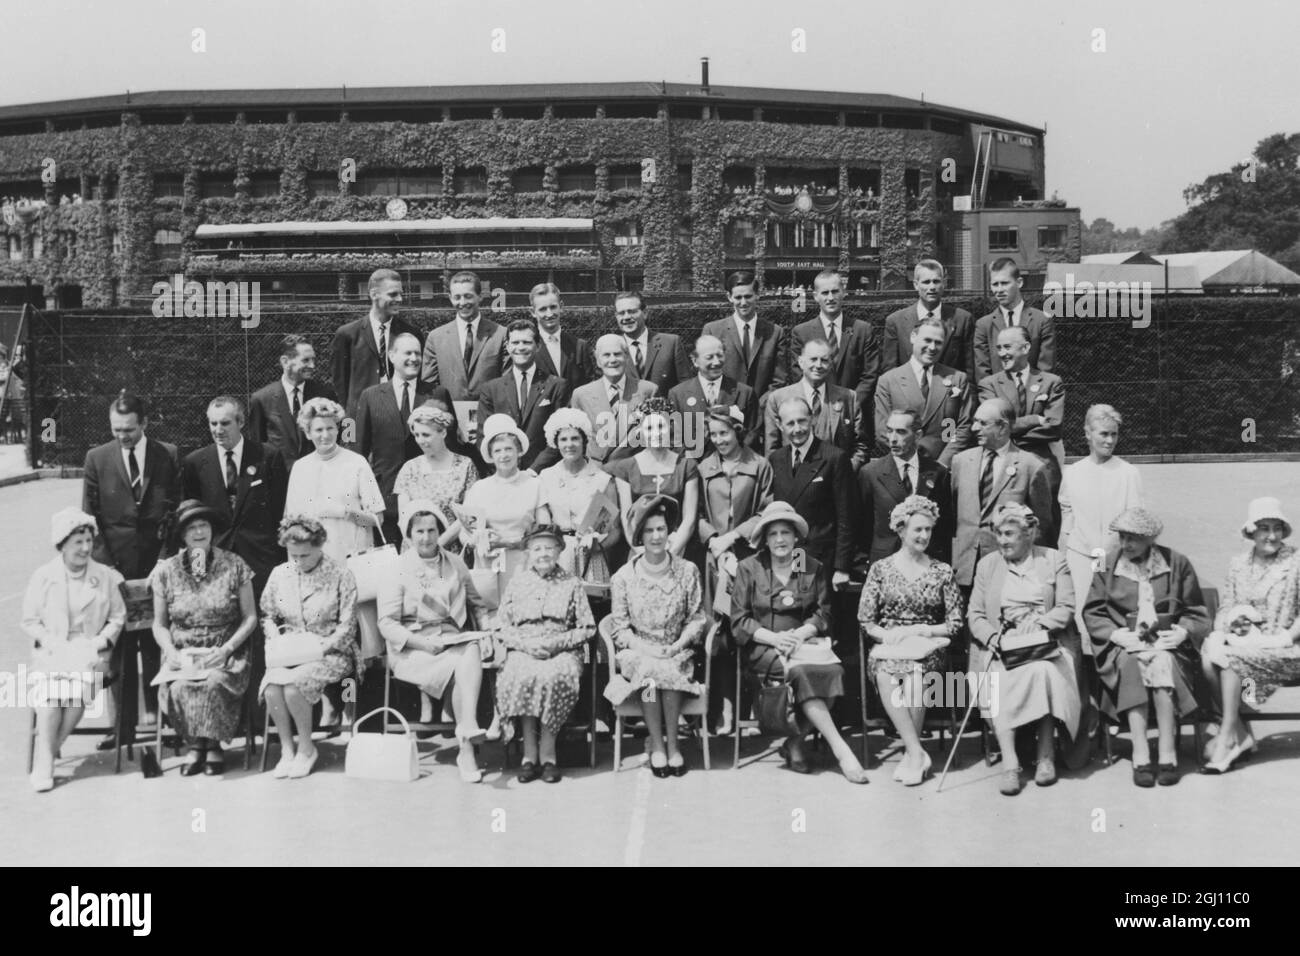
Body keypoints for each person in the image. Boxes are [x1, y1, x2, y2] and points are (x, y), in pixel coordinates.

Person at [730, 501, 870, 784]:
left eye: (786, 532)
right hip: (764, 649)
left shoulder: (809, 565)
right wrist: (776, 638)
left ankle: (795, 743)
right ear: (765, 539)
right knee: (804, 673)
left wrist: (803, 633)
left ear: (796, 537)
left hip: (804, 645)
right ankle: (842, 750)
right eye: (773, 534)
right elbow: (739, 620)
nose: (780, 540)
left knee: (832, 673)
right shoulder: (750, 567)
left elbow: (823, 612)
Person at [1082, 508, 1211, 788]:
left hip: (1168, 646)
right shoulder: (1105, 563)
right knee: (1132, 664)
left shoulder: (1177, 562)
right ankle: (1140, 750)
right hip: (1124, 647)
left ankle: (1167, 750)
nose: (1125, 544)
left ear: (1150, 539)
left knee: (1162, 661)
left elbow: (1196, 611)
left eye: (1133, 539)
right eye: (1122, 537)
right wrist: (1115, 634)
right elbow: (1092, 611)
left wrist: (1181, 632)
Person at [81, 391, 180, 749]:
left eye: (129, 429)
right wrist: (110, 569)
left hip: (157, 568)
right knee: (121, 648)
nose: (122, 436)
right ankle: (121, 730)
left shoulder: (168, 455)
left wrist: (164, 561)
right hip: (116, 573)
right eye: (116, 430)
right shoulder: (96, 458)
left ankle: (166, 726)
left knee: (158, 643)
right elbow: (89, 519)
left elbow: (176, 513)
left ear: (145, 423)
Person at [967, 503, 1082, 795]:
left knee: (1043, 671)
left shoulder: (1053, 560)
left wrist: (1042, 623)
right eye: (999, 534)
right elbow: (975, 614)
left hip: (1047, 642)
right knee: (997, 677)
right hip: (1002, 643)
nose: (1002, 540)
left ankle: (1046, 757)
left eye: (1009, 534)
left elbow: (1067, 606)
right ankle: (1010, 762)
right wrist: (992, 637)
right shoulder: (988, 565)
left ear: (1028, 534)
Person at [378, 501, 491, 783]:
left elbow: (477, 604)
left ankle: (466, 741)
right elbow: (386, 623)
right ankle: (467, 739)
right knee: (460, 663)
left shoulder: (455, 563)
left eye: (431, 530)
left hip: (451, 638)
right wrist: (420, 643)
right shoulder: (396, 568)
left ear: (440, 531)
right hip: (414, 647)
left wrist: (487, 632)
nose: (426, 538)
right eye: (419, 531)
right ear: (408, 534)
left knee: (472, 648)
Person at [858, 496, 964, 786]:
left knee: (917, 678)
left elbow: (955, 624)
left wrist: (923, 630)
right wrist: (887, 635)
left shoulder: (941, 571)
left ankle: (912, 755)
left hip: (929, 649)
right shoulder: (881, 569)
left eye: (928, 529)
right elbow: (866, 620)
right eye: (917, 529)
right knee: (885, 672)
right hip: (890, 646)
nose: (924, 536)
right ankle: (917, 752)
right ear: (901, 530)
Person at [151, 500, 259, 776]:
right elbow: (159, 624)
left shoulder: (234, 565)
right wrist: (170, 651)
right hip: (183, 652)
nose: (199, 532)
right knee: (179, 687)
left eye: (204, 526)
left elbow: (250, 618)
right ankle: (195, 746)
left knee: (213, 682)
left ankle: (212, 747)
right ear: (182, 535)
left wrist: (227, 648)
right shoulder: (166, 571)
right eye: (192, 528)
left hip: (225, 651)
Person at [21, 509, 124, 791]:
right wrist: (53, 643)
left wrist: (99, 642)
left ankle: (49, 749)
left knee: (79, 692)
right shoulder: (44, 576)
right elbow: (29, 620)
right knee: (51, 697)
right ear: (62, 544)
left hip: (91, 651)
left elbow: (117, 616)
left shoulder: (104, 576)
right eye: (78, 541)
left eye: (89, 540)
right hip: (53, 649)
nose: (85, 548)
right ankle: (46, 759)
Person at [607, 495, 708, 776]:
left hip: (677, 649)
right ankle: (659, 746)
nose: (656, 536)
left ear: (669, 532)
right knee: (651, 671)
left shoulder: (687, 571)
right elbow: (620, 629)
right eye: (649, 530)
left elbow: (697, 618)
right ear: (640, 535)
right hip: (639, 652)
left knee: (669, 667)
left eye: (661, 529)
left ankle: (674, 745)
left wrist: (677, 645)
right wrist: (645, 649)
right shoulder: (623, 577)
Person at [1200, 497, 1300, 773]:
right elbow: (1226, 606)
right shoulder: (1238, 564)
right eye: (1264, 528)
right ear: (1251, 531)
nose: (1271, 535)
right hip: (1247, 642)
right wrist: (1225, 627)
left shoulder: (1295, 561)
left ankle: (1226, 739)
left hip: (1288, 647)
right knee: (1209, 657)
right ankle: (1241, 735)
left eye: (1277, 528)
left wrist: (1286, 637)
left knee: (1231, 661)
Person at [259, 516, 362, 779]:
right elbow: (267, 614)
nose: (298, 562)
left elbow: (347, 626)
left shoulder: (341, 574)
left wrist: (319, 648)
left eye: (305, 555)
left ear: (320, 546)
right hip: (290, 650)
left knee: (295, 686)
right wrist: (273, 637)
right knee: (271, 689)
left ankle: (306, 748)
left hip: (332, 651)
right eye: (293, 555)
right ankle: (286, 749)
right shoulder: (280, 574)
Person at [494, 524, 597, 784]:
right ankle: (529, 754)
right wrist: (525, 645)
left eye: (549, 548)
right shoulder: (517, 583)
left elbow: (587, 627)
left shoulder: (572, 583)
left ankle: (548, 754)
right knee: (522, 673)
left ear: (560, 550)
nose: (543, 554)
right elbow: (501, 626)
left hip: (560, 649)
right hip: (524, 648)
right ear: (528, 552)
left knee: (553, 675)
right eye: (537, 548)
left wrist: (556, 644)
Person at [697, 404, 773, 733]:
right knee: (719, 634)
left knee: (749, 628)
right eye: (713, 434)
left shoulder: (759, 465)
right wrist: (713, 538)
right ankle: (722, 710)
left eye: (724, 433)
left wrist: (734, 536)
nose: (719, 440)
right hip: (715, 562)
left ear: (737, 431)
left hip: (747, 558)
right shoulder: (702, 468)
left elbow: (766, 512)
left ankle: (757, 710)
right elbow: (695, 512)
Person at [181, 396, 288, 597]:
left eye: (225, 423)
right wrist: (197, 564)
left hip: (261, 559)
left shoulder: (268, 456)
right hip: (216, 560)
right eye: (213, 423)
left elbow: (279, 511)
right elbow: (192, 520)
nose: (218, 429)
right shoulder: (194, 463)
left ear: (240, 422)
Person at [1059, 404, 1144, 642]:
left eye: (1114, 434)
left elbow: (1136, 524)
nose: (1109, 440)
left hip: (1117, 560)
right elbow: (1067, 521)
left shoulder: (1128, 473)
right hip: (1079, 558)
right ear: (1088, 433)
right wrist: (1062, 560)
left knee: (1114, 623)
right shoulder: (1073, 472)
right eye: (1103, 434)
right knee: (1079, 623)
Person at [950, 398, 1053, 591]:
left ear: (1003, 428)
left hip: (1008, 571)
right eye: (974, 421)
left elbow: (1042, 528)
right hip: (964, 569)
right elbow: (953, 514)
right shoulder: (960, 462)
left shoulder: (1030, 466)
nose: (973, 428)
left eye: (982, 423)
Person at [458, 413, 549, 612]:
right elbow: (464, 531)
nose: (504, 455)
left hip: (523, 562)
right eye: (498, 450)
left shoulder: (534, 485)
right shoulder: (479, 488)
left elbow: (544, 530)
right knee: (491, 618)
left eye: (509, 449)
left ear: (519, 451)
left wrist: (511, 543)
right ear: (491, 455)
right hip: (488, 565)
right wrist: (477, 540)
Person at [353, 332, 433, 545]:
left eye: (418, 353)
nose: (414, 358)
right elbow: (359, 449)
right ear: (391, 355)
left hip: (425, 499)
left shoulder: (436, 394)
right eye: (408, 353)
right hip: (385, 499)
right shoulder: (370, 396)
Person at [284, 397, 385, 564]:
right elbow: (291, 522)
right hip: (314, 560)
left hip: (352, 558)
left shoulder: (357, 462)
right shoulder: (300, 468)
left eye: (330, 428)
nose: (325, 435)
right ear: (308, 433)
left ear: (338, 429)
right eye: (318, 430)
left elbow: (377, 519)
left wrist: (346, 513)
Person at [768, 397, 854, 590]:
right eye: (790, 423)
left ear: (813, 419)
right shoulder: (776, 459)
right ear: (779, 426)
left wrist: (842, 567)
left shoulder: (834, 457)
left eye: (802, 421)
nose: (797, 429)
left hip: (821, 558)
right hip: (786, 556)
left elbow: (847, 516)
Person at [978, 324, 1065, 502]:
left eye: (1007, 347)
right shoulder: (989, 385)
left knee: (1044, 522)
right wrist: (1034, 419)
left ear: (1025, 348)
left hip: (1042, 465)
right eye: (999, 348)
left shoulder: (1051, 382)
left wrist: (1011, 431)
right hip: (1003, 464)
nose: (1002, 353)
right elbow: (994, 426)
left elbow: (1054, 426)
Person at [605, 397, 700, 559]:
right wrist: (642, 553)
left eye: (661, 426)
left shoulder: (686, 466)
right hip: (640, 551)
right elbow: (627, 518)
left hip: (677, 549)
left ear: (670, 427)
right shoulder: (626, 467)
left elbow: (689, 518)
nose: (656, 433)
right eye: (649, 428)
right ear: (640, 431)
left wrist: (672, 552)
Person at [536, 408, 622, 585]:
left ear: (584, 441)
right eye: (563, 439)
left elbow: (615, 530)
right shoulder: (546, 476)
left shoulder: (603, 480)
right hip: (557, 555)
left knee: (593, 606)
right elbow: (543, 524)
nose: (569, 444)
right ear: (556, 443)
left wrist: (597, 546)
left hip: (593, 557)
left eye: (575, 438)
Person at [874, 315, 973, 468]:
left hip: (943, 467)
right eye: (927, 340)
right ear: (913, 337)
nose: (932, 348)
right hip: (903, 465)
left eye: (938, 342)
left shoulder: (956, 379)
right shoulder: (888, 381)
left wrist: (942, 463)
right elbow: (882, 430)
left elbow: (960, 427)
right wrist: (911, 460)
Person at [858, 408, 952, 565]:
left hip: (925, 562)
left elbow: (944, 527)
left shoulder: (937, 473)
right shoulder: (870, 473)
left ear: (918, 435)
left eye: (901, 432)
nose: (892, 439)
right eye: (889, 431)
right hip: (886, 564)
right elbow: (861, 525)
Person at [789, 269, 879, 431]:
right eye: (825, 293)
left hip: (854, 417)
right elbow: (798, 373)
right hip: (816, 416)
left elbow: (870, 374)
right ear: (816, 296)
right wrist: (823, 406)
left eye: (835, 291)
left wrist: (850, 403)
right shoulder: (802, 333)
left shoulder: (862, 330)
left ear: (843, 292)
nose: (830, 298)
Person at [477, 319, 566, 473]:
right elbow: (483, 438)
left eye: (526, 342)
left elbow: (559, 436)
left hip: (543, 475)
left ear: (538, 346)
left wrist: (533, 471)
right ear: (508, 346)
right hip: (503, 475)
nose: (520, 348)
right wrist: (506, 470)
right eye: (515, 342)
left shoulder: (556, 386)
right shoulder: (491, 389)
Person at [330, 268, 423, 417]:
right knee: (349, 441)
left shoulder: (411, 334)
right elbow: (340, 384)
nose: (399, 299)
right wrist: (348, 430)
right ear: (374, 294)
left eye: (401, 294)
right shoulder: (347, 334)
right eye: (393, 294)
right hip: (357, 417)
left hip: (398, 416)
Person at [764, 338, 868, 467]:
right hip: (795, 479)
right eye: (813, 359)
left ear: (831, 364)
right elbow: (772, 449)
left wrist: (845, 473)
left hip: (837, 480)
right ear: (801, 362)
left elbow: (861, 445)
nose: (818, 365)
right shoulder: (778, 398)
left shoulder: (848, 397)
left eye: (824, 360)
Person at [392, 402, 478, 554]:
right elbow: (404, 517)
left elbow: (469, 513)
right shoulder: (410, 468)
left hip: (452, 550)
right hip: (416, 550)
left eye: (426, 435)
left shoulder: (465, 465)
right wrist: (420, 548)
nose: (420, 440)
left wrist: (439, 543)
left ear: (443, 432)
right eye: (417, 435)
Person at [248, 335, 338, 467]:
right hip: (279, 480)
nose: (312, 366)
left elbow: (340, 432)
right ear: (285, 362)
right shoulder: (261, 399)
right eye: (306, 360)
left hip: (318, 474)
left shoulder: (325, 395)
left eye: (313, 360)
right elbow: (256, 446)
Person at [700, 270, 789, 404]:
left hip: (761, 413)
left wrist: (758, 408)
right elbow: (706, 375)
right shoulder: (712, 330)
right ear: (729, 297)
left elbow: (779, 381)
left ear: (757, 295)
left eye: (748, 296)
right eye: (738, 297)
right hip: (724, 413)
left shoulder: (775, 333)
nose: (743, 302)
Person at [421, 270, 509, 403]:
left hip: (490, 415)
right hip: (449, 416)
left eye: (468, 296)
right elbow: (429, 386)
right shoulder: (436, 338)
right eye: (457, 297)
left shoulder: (501, 334)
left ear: (480, 296)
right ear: (450, 298)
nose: (462, 303)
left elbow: (507, 383)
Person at [666, 333, 758, 459]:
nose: (716, 362)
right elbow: (673, 440)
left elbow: (752, 435)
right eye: (709, 357)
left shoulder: (744, 393)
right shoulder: (677, 394)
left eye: (720, 356)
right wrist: (691, 465)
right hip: (694, 469)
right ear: (695, 361)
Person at [570, 334, 657, 464]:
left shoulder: (648, 390)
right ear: (598, 360)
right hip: (597, 471)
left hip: (634, 469)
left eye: (617, 354)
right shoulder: (581, 395)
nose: (613, 359)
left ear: (627, 357)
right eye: (606, 355)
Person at [882, 260, 975, 376]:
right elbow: (890, 370)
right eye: (926, 282)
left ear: (944, 283)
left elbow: (970, 370)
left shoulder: (962, 319)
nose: (932, 287)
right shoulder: (896, 321)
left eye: (936, 281)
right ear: (916, 285)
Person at [973, 257, 1057, 381]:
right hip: (997, 398)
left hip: (1033, 396)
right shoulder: (984, 325)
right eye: (995, 284)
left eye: (1005, 283)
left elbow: (1045, 370)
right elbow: (983, 375)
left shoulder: (1042, 321)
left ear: (1019, 282)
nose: (999, 290)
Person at [613, 290, 691, 394]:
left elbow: (686, 387)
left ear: (645, 313)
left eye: (632, 311)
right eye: (621, 313)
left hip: (666, 409)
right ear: (616, 316)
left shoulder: (671, 343)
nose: (626, 317)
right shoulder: (612, 348)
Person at [529, 282, 594, 394]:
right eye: (542, 309)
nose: (549, 314)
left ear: (561, 307)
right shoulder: (528, 348)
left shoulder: (580, 347)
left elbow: (591, 386)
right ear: (533, 312)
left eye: (553, 307)